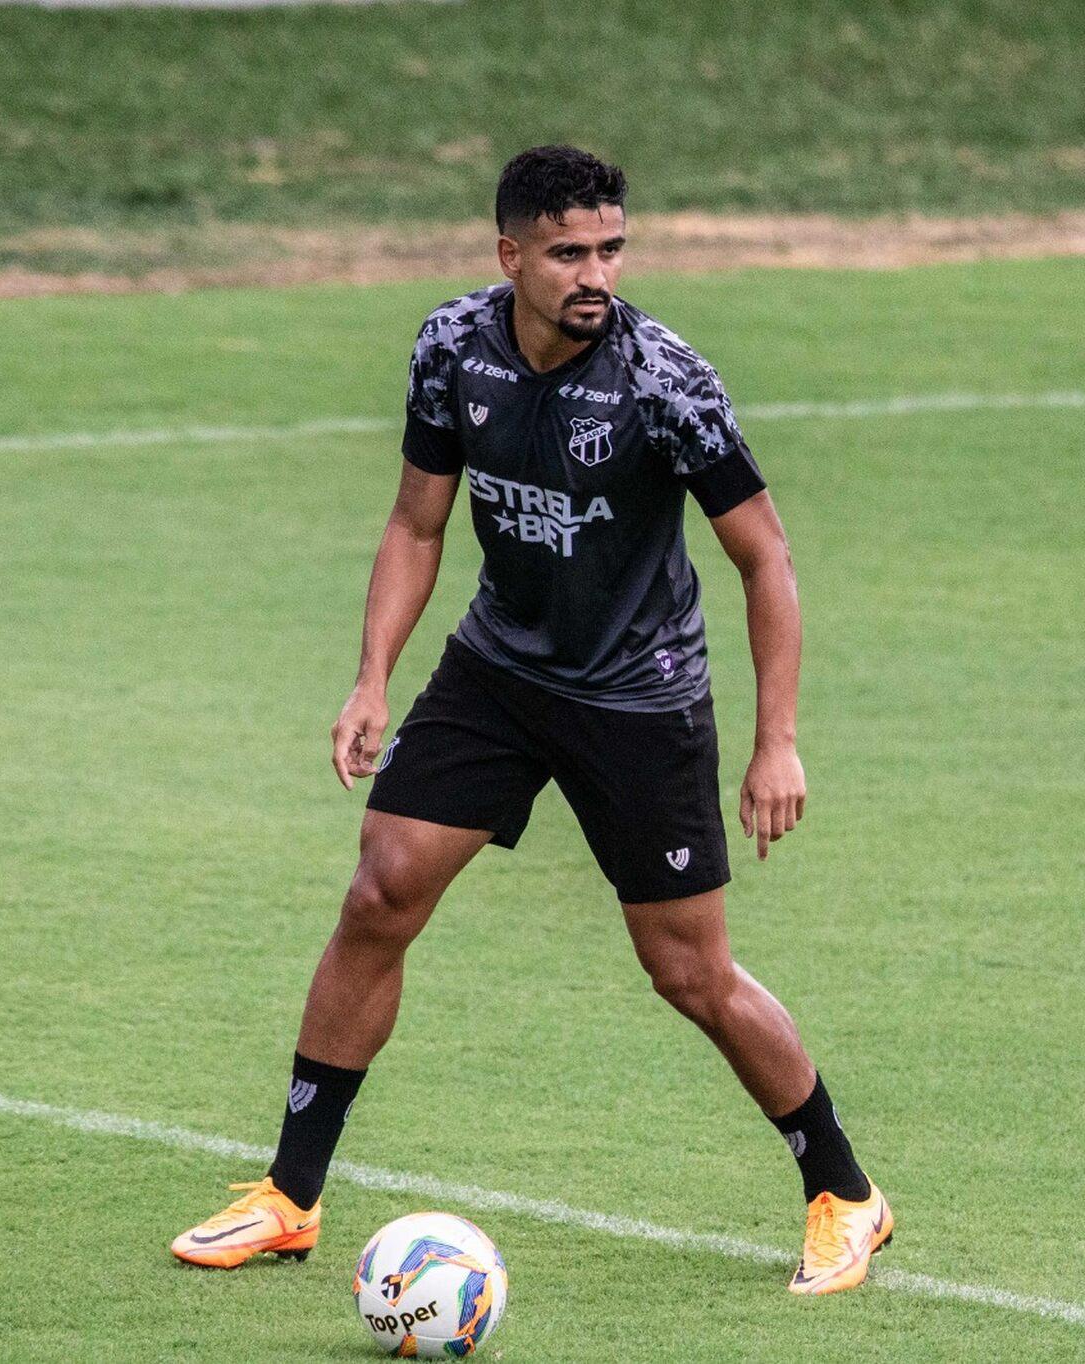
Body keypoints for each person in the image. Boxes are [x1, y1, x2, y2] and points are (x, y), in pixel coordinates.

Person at [171, 145, 892, 1295]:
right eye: (567, 252)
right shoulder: (451, 347)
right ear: (510, 255)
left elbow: (765, 556)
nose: (593, 271)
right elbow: (417, 525)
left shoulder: (664, 381)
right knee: (380, 889)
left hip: (639, 696)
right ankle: (290, 1194)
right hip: (498, 669)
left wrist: (777, 738)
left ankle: (843, 1190)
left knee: (687, 970)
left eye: (610, 247)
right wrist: (371, 678)